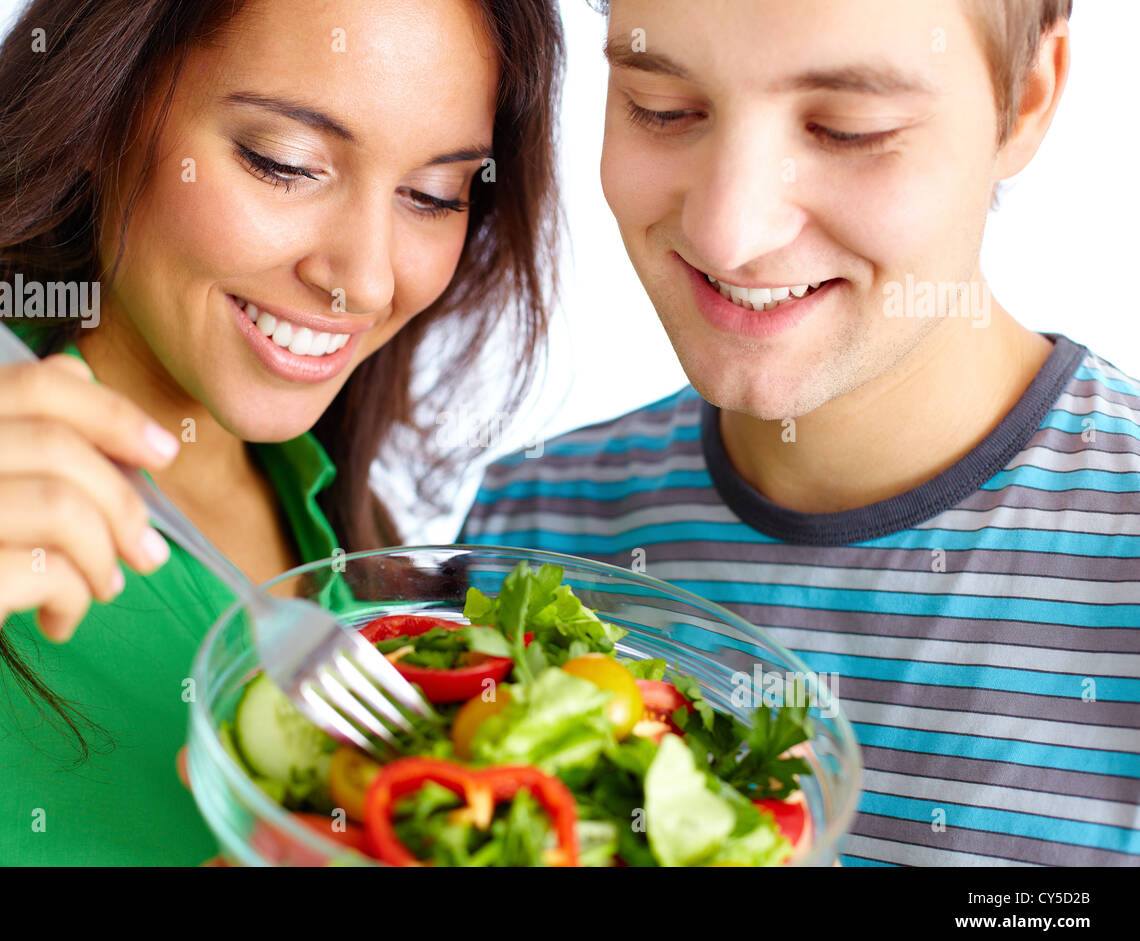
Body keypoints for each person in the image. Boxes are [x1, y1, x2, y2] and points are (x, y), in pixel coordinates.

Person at [0, 0, 563, 865]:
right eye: (283, 163)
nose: (365, 281)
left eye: (431, 195)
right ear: (105, 108)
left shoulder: (340, 535)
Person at [461, 0, 1140, 865]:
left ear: (1028, 97)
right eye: (662, 106)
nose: (727, 232)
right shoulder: (533, 533)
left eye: (847, 128)